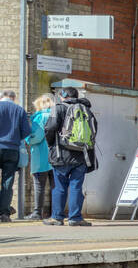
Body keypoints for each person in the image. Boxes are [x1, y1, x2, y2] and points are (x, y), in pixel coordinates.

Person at [44, 86, 97, 227]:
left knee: (60, 186)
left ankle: (57, 217)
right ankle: (75, 218)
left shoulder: (59, 108)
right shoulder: (86, 109)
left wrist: (51, 144)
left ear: (62, 95)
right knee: (76, 186)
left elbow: (49, 128)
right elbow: (94, 130)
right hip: (81, 156)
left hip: (61, 154)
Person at [0, 89, 32, 223]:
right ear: (13, 98)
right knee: (8, 181)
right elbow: (26, 131)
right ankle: (4, 213)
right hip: (12, 149)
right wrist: (14, 137)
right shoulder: (19, 110)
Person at [23, 94, 55, 220]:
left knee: (39, 185)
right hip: (55, 156)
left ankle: (37, 213)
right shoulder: (55, 115)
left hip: (41, 156)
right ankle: (56, 212)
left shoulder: (40, 117)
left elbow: (37, 136)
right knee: (55, 185)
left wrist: (27, 138)